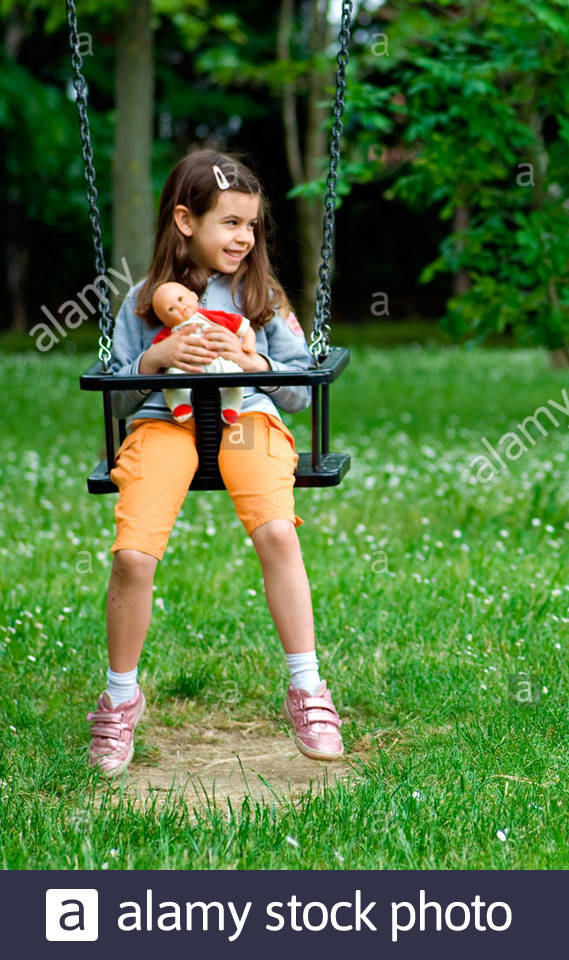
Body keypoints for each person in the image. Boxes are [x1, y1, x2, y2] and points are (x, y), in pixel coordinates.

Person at [86, 149, 345, 777]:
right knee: (132, 554)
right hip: (161, 425)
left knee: (279, 533)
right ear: (184, 220)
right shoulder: (145, 301)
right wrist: (156, 358)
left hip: (246, 422)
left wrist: (253, 361)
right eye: (229, 222)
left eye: (251, 225)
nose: (244, 237)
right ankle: (121, 699)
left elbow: (298, 391)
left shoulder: (263, 294)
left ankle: (307, 689)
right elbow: (117, 397)